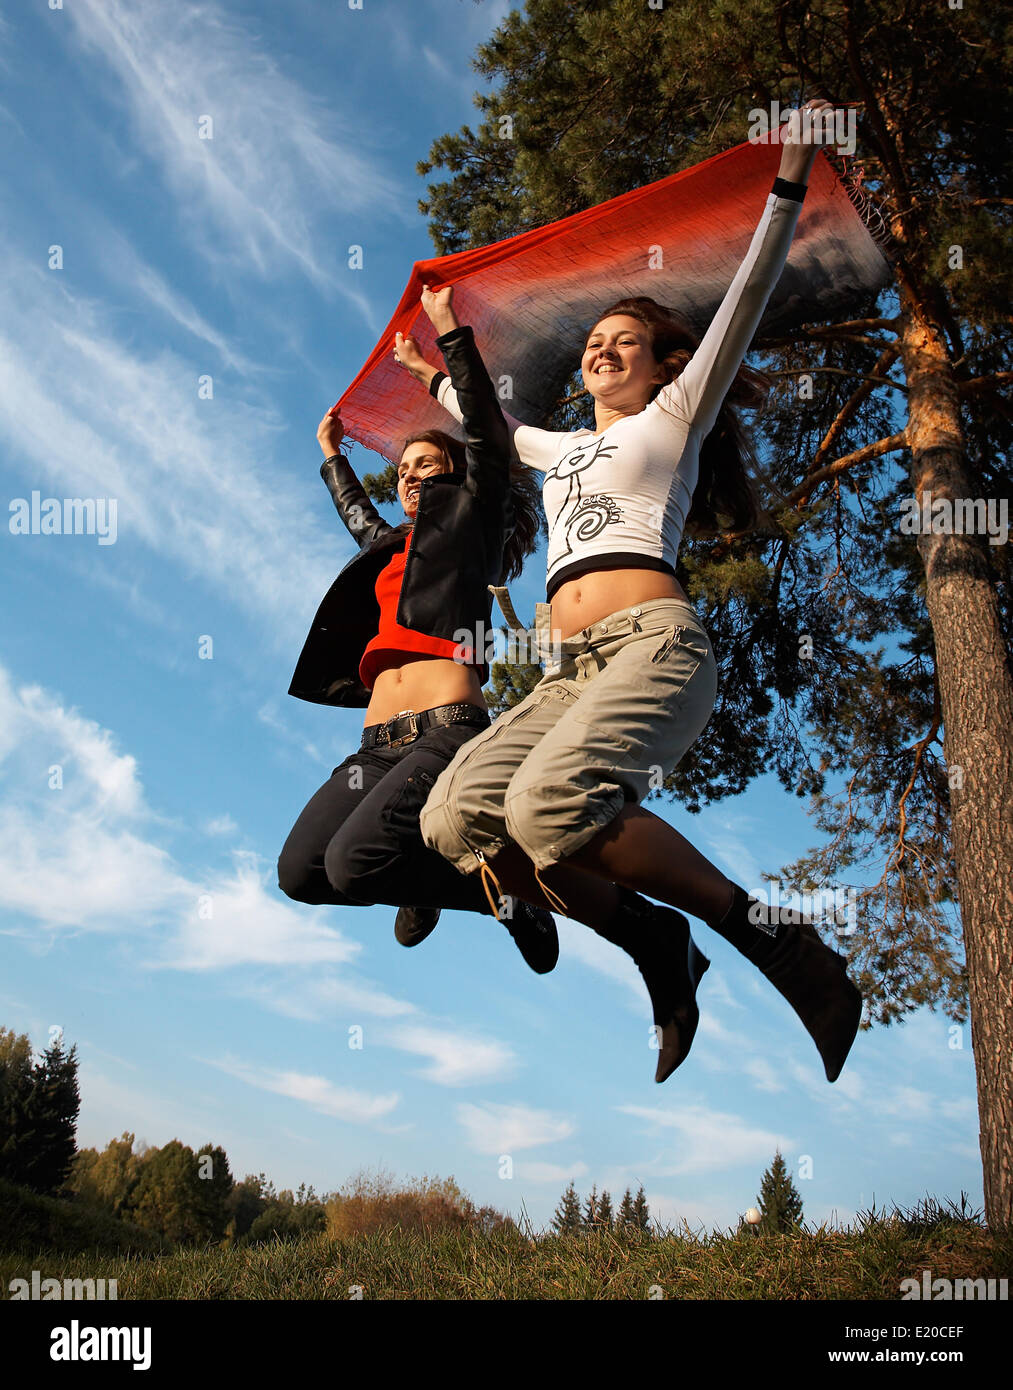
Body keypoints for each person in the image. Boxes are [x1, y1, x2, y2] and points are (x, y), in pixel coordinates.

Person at [398, 102, 863, 1083]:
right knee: (452, 823)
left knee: (544, 810)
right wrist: (428, 365)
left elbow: (741, 300)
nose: (600, 350)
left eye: (623, 341)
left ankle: (772, 937)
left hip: (651, 644)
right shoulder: (562, 447)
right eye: (592, 342)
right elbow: (489, 428)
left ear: (658, 365)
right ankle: (656, 944)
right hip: (564, 677)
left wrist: (785, 181)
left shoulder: (669, 422)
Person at [277, 291, 682, 988]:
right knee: (304, 873)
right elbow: (357, 519)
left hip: (444, 731)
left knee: (355, 863)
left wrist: (448, 337)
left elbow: (490, 442)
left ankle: (579, 907)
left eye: (424, 466)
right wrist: (330, 458)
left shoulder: (470, 526)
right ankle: (492, 896)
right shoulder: (391, 551)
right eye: (402, 470)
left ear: (456, 476)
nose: (408, 478)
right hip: (374, 747)